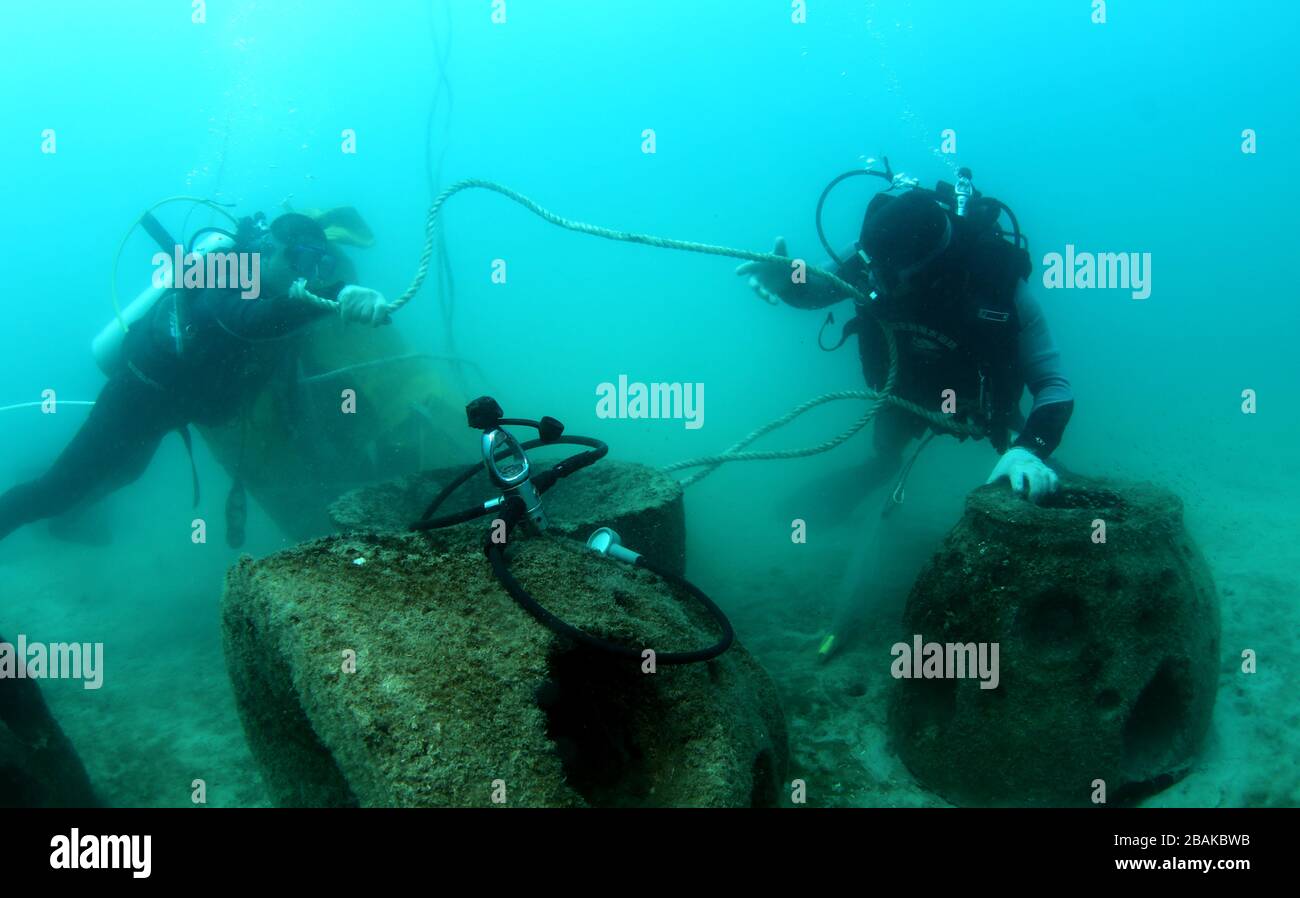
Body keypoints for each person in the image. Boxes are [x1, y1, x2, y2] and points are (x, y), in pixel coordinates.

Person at [737, 184, 1074, 658]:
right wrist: (785, 281)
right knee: (885, 455)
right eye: (875, 269)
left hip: (982, 408)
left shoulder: (1000, 284)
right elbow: (818, 288)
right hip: (905, 396)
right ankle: (876, 472)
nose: (881, 282)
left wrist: (1030, 447)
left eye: (895, 274)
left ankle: (1039, 486)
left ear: (932, 261)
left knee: (1024, 467)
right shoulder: (877, 256)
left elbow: (1054, 383)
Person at [0, 212, 393, 543]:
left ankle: (67, 514)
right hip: (135, 402)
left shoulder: (275, 295)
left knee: (124, 475)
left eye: (318, 266)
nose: (307, 276)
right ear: (269, 249)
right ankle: (44, 506)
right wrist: (337, 294)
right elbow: (247, 321)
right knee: (53, 492)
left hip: (169, 412)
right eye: (301, 261)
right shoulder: (225, 271)